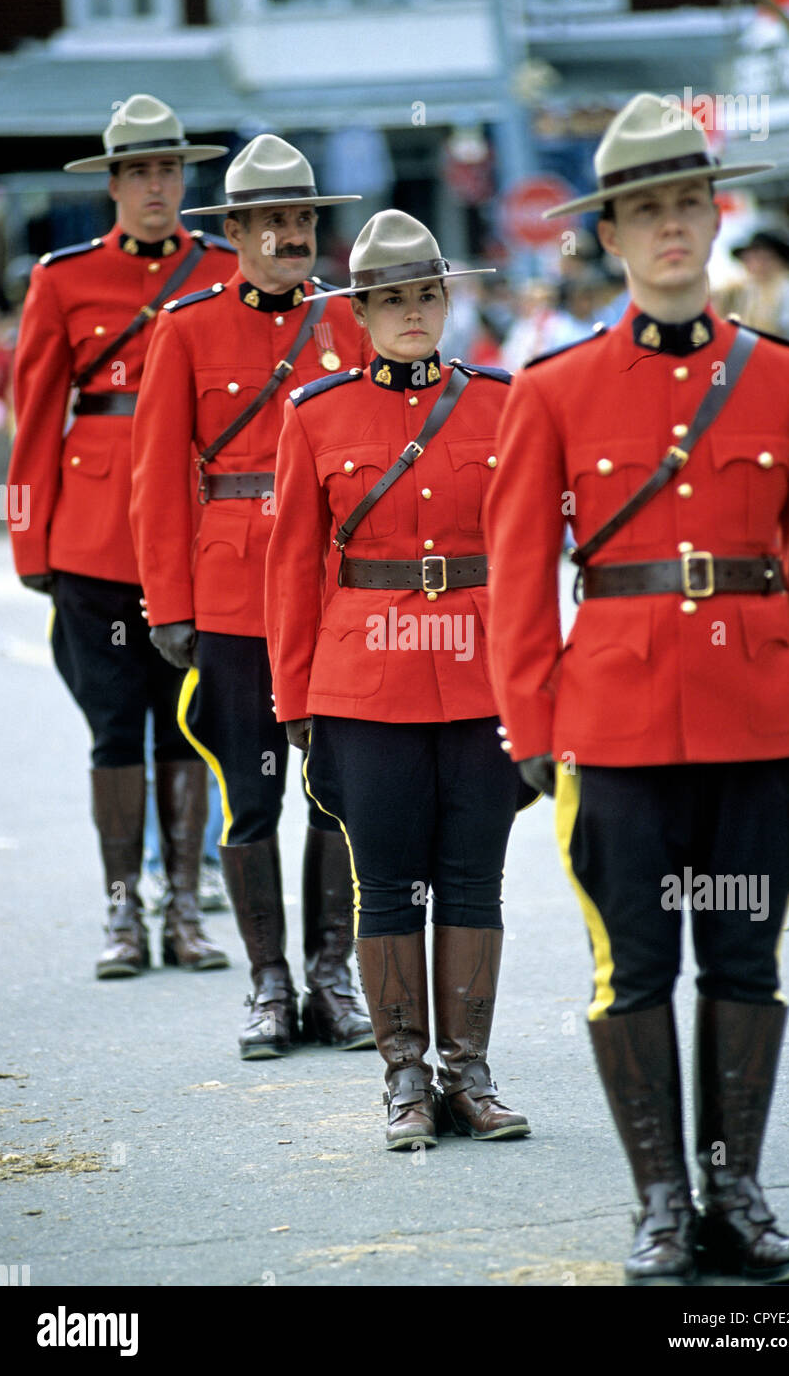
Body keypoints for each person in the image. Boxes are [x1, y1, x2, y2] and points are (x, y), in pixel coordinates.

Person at [484, 93, 789, 1283]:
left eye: (685, 204)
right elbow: (514, 578)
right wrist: (534, 727)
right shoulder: (549, 389)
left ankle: (735, 1199)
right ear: (608, 234)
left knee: (744, 958)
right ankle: (658, 1207)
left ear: (711, 211)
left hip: (759, 721)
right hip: (617, 728)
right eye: (642, 212)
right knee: (632, 966)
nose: (669, 230)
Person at [265, 209, 532, 1150]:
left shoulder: (504, 404)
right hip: (362, 681)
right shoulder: (316, 414)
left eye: (427, 294)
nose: (412, 313)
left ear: (448, 300)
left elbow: (533, 555)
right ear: (363, 312)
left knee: (473, 879)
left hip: (482, 674)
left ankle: (471, 1074)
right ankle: (406, 1082)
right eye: (391, 300)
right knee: (385, 885)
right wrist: (294, 702)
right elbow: (293, 568)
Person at [130, 135, 373, 1060]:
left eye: (303, 218)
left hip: (330, 595)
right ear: (233, 231)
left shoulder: (348, 321)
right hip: (232, 594)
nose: (290, 234)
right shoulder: (184, 329)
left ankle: (332, 976)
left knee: (339, 792)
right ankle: (268, 982)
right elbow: (156, 477)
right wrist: (168, 603)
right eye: (271, 220)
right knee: (251, 796)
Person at [7, 94, 236, 979]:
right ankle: (121, 916)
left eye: (169, 169)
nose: (155, 185)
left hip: (192, 523)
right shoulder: (61, 280)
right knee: (113, 730)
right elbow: (33, 426)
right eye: (139, 170)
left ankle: (184, 909)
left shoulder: (220, 268)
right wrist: (28, 546)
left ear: (184, 177)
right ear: (111, 183)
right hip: (94, 538)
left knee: (185, 725)